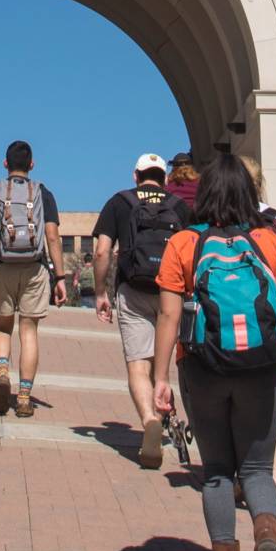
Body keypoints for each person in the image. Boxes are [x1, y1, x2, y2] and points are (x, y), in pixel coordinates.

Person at [151, 154, 276, 551]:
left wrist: (159, 378)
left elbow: (168, 315)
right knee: (257, 470)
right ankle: (266, 535)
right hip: (262, 367)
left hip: (202, 367)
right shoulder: (269, 243)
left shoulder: (184, 244)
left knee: (217, 471)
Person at [93, 153, 185, 470]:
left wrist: (101, 292)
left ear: (136, 175)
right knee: (162, 366)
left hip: (132, 290)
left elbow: (102, 250)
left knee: (137, 365)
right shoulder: (179, 205)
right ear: (165, 177)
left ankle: (149, 419)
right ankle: (161, 410)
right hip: (170, 293)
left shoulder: (119, 202)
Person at [0, 139, 63, 417]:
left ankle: (2, 373)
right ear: (32, 165)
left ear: (5, 164)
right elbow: (52, 237)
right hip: (35, 268)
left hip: (1, 267)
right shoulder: (43, 193)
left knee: (2, 328)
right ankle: (24, 396)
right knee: (29, 332)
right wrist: (59, 276)